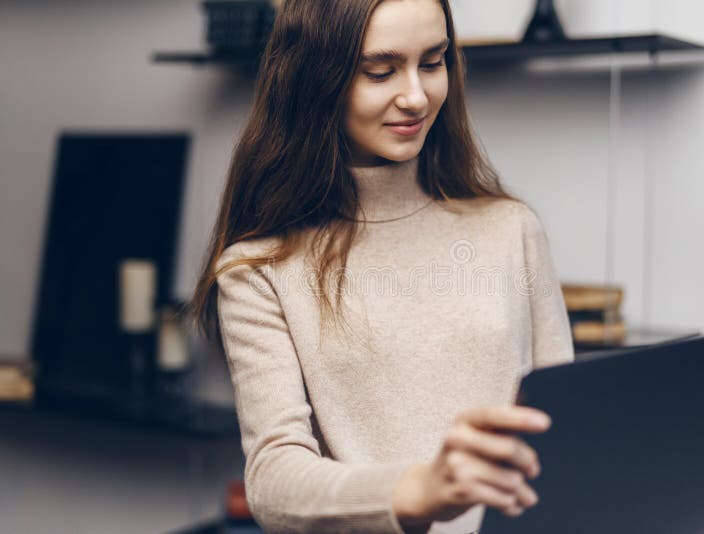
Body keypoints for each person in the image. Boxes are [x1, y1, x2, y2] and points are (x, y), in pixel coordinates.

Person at [189, 0, 574, 532]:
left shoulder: (512, 229)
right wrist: (420, 491)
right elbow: (274, 481)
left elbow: (567, 430)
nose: (416, 96)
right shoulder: (259, 269)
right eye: (380, 71)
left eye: (433, 62)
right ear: (316, 78)